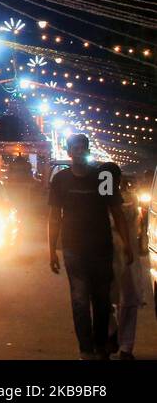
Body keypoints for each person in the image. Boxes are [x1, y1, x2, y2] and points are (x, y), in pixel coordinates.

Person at [48, 133, 134, 360]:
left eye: (83, 147)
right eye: (74, 148)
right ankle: (86, 350)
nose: (79, 151)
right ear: (68, 152)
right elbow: (54, 216)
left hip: (101, 249)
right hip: (73, 250)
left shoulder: (102, 177)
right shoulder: (61, 180)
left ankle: (100, 347)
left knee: (102, 301)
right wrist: (51, 251)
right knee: (79, 300)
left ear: (88, 150)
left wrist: (126, 243)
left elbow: (116, 211)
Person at [108, 177, 149, 359]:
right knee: (109, 300)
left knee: (127, 301)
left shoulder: (131, 198)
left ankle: (125, 346)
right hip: (114, 255)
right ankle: (115, 337)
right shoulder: (106, 200)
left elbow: (139, 226)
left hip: (126, 255)